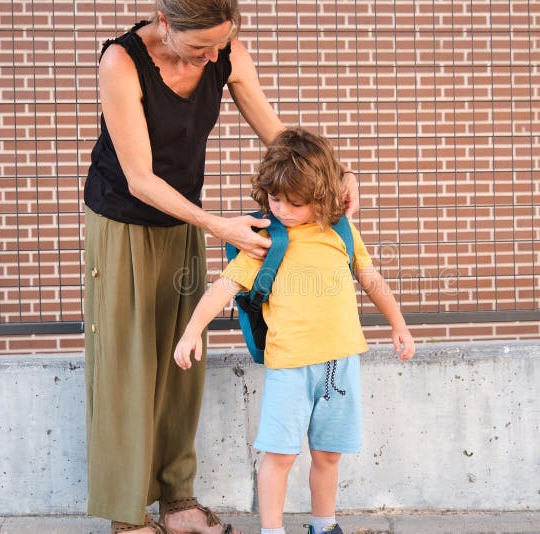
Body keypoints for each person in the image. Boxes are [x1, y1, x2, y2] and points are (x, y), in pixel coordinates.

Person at [82, 0, 360, 532]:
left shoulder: (224, 52)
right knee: (128, 360)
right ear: (165, 23)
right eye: (201, 46)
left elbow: (277, 133)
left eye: (220, 45)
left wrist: (336, 173)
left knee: (183, 363)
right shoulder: (122, 62)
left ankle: (177, 500)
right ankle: (127, 513)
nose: (214, 57)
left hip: (184, 219)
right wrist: (218, 226)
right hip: (123, 220)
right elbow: (140, 178)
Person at [173, 128, 416, 534]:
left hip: (340, 363)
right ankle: (272, 530)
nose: (282, 209)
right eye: (274, 198)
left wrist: (399, 325)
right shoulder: (267, 241)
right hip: (290, 368)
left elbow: (371, 280)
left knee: (328, 454)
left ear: (321, 196)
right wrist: (192, 331)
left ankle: (324, 525)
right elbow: (225, 286)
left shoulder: (341, 232)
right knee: (280, 456)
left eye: (295, 202)